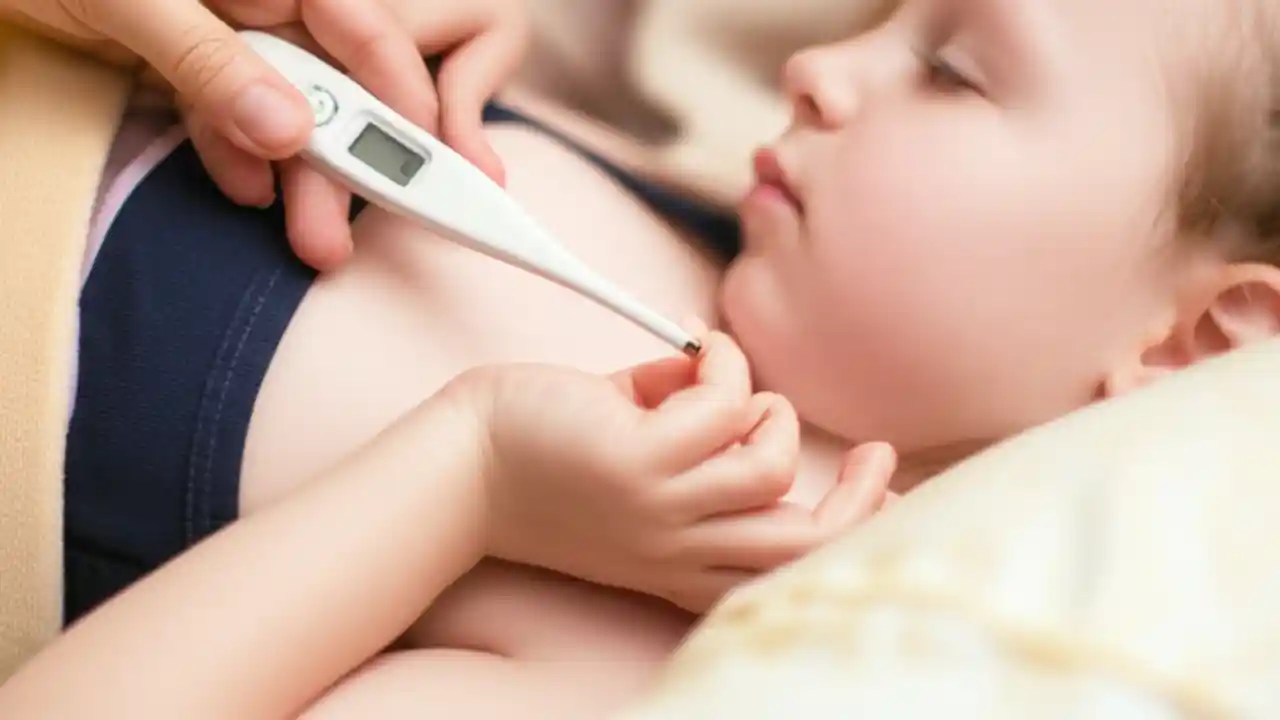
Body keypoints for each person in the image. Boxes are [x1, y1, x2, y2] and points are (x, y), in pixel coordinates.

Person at [2, 0, 1279, 714]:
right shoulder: (725, 224)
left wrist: (468, 476)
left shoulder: (689, 642)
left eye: (949, 71)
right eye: (885, 15)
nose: (816, 67)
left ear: (1199, 340)